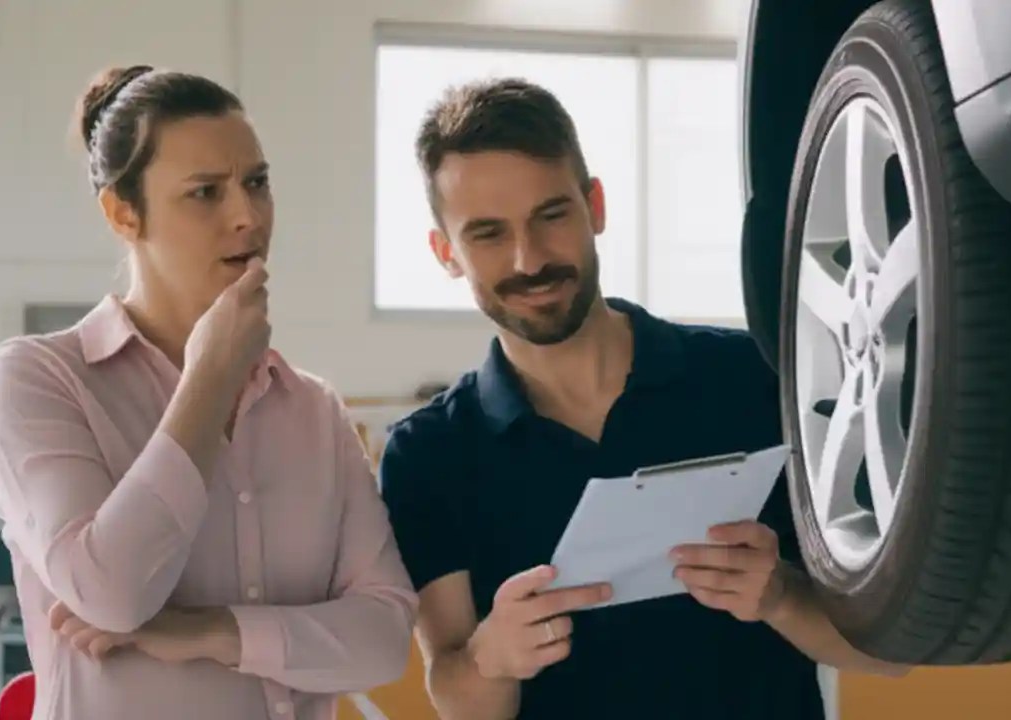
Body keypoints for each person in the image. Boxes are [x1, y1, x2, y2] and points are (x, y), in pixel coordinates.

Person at [378, 77, 907, 720]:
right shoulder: (426, 454)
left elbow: (889, 653)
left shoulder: (756, 378)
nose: (529, 258)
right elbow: (456, 696)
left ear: (594, 205)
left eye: (551, 216)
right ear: (446, 253)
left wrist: (782, 599)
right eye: (488, 233)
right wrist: (492, 658)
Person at [0, 65, 417, 720]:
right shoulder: (35, 380)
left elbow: (384, 640)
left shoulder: (313, 409)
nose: (248, 216)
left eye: (257, 184)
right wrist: (210, 374)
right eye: (205, 192)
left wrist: (210, 633)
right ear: (123, 212)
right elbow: (111, 592)